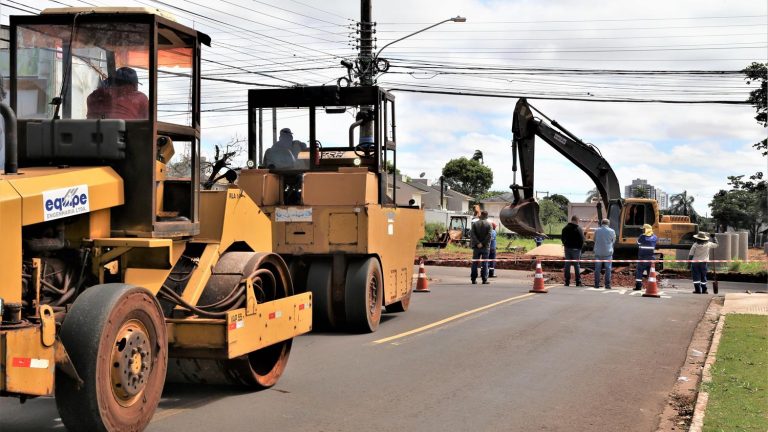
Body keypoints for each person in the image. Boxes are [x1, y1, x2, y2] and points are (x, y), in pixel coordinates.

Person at [561, 215, 585, 286]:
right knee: (576, 265)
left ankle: (567, 281)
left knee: (567, 265)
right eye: (578, 221)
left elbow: (562, 238)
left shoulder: (565, 228)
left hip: (567, 249)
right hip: (576, 249)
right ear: (576, 221)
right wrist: (580, 248)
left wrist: (565, 244)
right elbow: (582, 240)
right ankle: (578, 281)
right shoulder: (579, 229)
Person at [470, 210, 492, 285]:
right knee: (485, 263)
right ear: (486, 216)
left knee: (474, 263)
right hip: (485, 247)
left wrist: (478, 243)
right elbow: (489, 235)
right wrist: (483, 243)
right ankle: (484, 279)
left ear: (481, 215)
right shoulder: (489, 224)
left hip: (476, 247)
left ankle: (473, 279)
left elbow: (472, 234)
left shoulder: (475, 224)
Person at [593, 218, 616, 289]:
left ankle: (596, 284)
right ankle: (607, 285)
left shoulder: (596, 230)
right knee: (608, 269)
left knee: (597, 269)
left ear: (601, 223)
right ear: (608, 224)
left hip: (598, 252)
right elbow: (613, 241)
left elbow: (594, 239)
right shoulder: (612, 231)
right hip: (608, 253)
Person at [635, 223, 657, 291]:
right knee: (650, 273)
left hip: (642, 258)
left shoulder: (642, 237)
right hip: (651, 258)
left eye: (644, 229)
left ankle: (638, 286)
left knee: (639, 271)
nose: (643, 230)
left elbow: (638, 242)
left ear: (646, 230)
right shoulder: (655, 237)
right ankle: (650, 286)